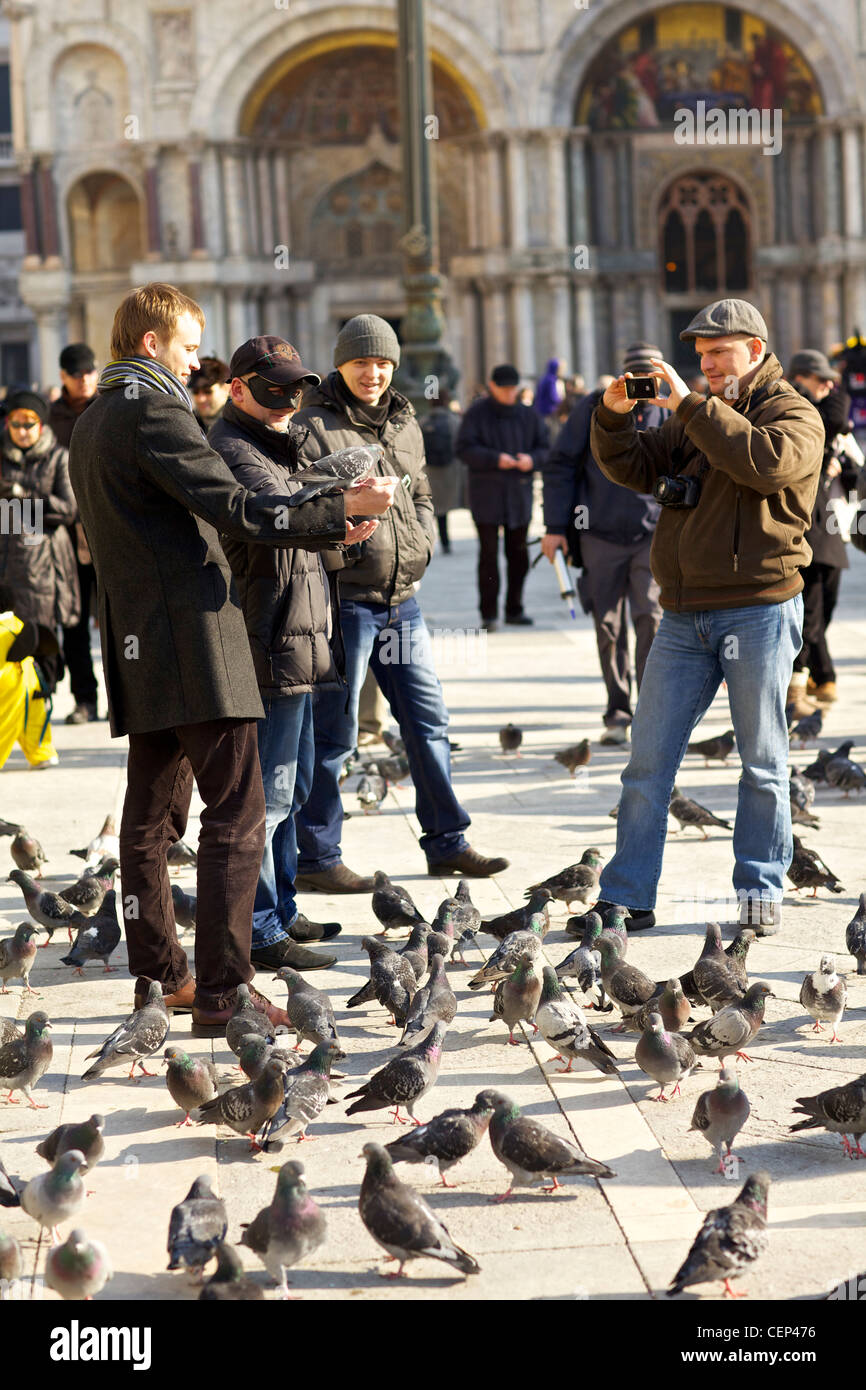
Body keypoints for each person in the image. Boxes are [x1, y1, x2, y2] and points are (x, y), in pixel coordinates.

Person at [68, 283, 396, 1028]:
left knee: (150, 821)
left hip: (138, 644)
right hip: (195, 642)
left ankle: (161, 979)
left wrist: (320, 528)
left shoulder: (94, 418)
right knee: (239, 814)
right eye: (187, 348)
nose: (193, 365)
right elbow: (236, 508)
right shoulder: (154, 408)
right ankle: (223, 990)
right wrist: (343, 509)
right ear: (152, 344)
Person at [587, 297, 824, 936]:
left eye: (720, 353)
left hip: (758, 610)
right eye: (700, 356)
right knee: (647, 762)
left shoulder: (794, 410)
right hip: (684, 616)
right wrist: (611, 418)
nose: (709, 365)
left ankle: (759, 890)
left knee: (762, 760)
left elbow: (765, 462)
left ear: (755, 348)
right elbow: (633, 466)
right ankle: (627, 895)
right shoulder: (698, 415)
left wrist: (693, 405)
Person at [295, 313, 509, 891]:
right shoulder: (310, 425)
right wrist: (345, 547)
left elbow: (424, 493)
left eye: (384, 363)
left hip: (402, 599)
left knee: (427, 721)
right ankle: (316, 858)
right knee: (335, 733)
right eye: (362, 361)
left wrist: (421, 544)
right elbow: (298, 508)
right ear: (340, 363)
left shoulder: (404, 419)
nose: (374, 372)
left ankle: (446, 842)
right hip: (345, 600)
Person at [210, 336, 346, 972]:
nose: (291, 401)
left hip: (298, 634)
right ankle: (261, 925)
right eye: (275, 390)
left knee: (292, 786)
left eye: (297, 388)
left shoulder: (280, 442)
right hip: (267, 638)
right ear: (238, 388)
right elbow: (276, 517)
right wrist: (339, 510)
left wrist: (343, 525)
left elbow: (305, 529)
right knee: (270, 792)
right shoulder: (235, 448)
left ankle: (283, 907)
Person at [542, 342, 666, 745]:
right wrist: (555, 526)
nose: (644, 388)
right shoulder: (595, 408)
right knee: (608, 625)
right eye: (636, 380)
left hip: (652, 533)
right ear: (623, 378)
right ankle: (618, 709)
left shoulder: (672, 407)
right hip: (598, 532)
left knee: (651, 617)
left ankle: (650, 710)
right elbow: (560, 463)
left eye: (651, 379)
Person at [786, 349, 860, 705]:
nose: (830, 385)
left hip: (831, 526)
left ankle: (818, 674)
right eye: (821, 379)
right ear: (800, 379)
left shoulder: (830, 408)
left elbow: (838, 415)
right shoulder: (789, 412)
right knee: (809, 609)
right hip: (803, 530)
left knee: (823, 606)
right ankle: (803, 682)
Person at [0, 389, 80, 703]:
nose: (22, 431)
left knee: (42, 639)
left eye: (29, 424)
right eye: (16, 423)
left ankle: (45, 700)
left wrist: (20, 496)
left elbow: (67, 508)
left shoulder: (59, 456)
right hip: (6, 562)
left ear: (42, 426)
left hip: (43, 565)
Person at [455, 363, 549, 630]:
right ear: (492, 386)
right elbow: (464, 448)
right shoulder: (476, 414)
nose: (509, 394)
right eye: (504, 389)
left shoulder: (529, 416)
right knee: (489, 555)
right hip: (487, 494)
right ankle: (489, 613)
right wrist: (496, 459)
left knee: (518, 555)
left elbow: (546, 448)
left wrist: (531, 460)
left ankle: (514, 608)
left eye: (513, 389)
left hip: (519, 495)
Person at [49, 343, 100, 725]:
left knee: (122, 621)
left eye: (89, 372)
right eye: (77, 374)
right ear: (63, 376)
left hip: (110, 528)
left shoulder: (109, 407)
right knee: (75, 621)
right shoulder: (48, 420)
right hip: (67, 536)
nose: (84, 379)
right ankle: (85, 700)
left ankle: (126, 699)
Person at [0, 582, 59, 770]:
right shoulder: (17, 625)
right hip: (31, 685)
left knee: (5, 722)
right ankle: (42, 754)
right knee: (33, 721)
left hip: (8, 687)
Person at [420, 386, 462, 554]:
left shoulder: (422, 422)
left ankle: (435, 541)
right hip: (450, 470)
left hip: (430, 470)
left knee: (433, 509)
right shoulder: (455, 421)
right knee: (446, 508)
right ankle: (446, 543)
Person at [189, 356, 230, 433]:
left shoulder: (240, 424)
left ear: (226, 388)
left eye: (208, 392)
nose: (201, 399)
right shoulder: (188, 424)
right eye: (196, 392)